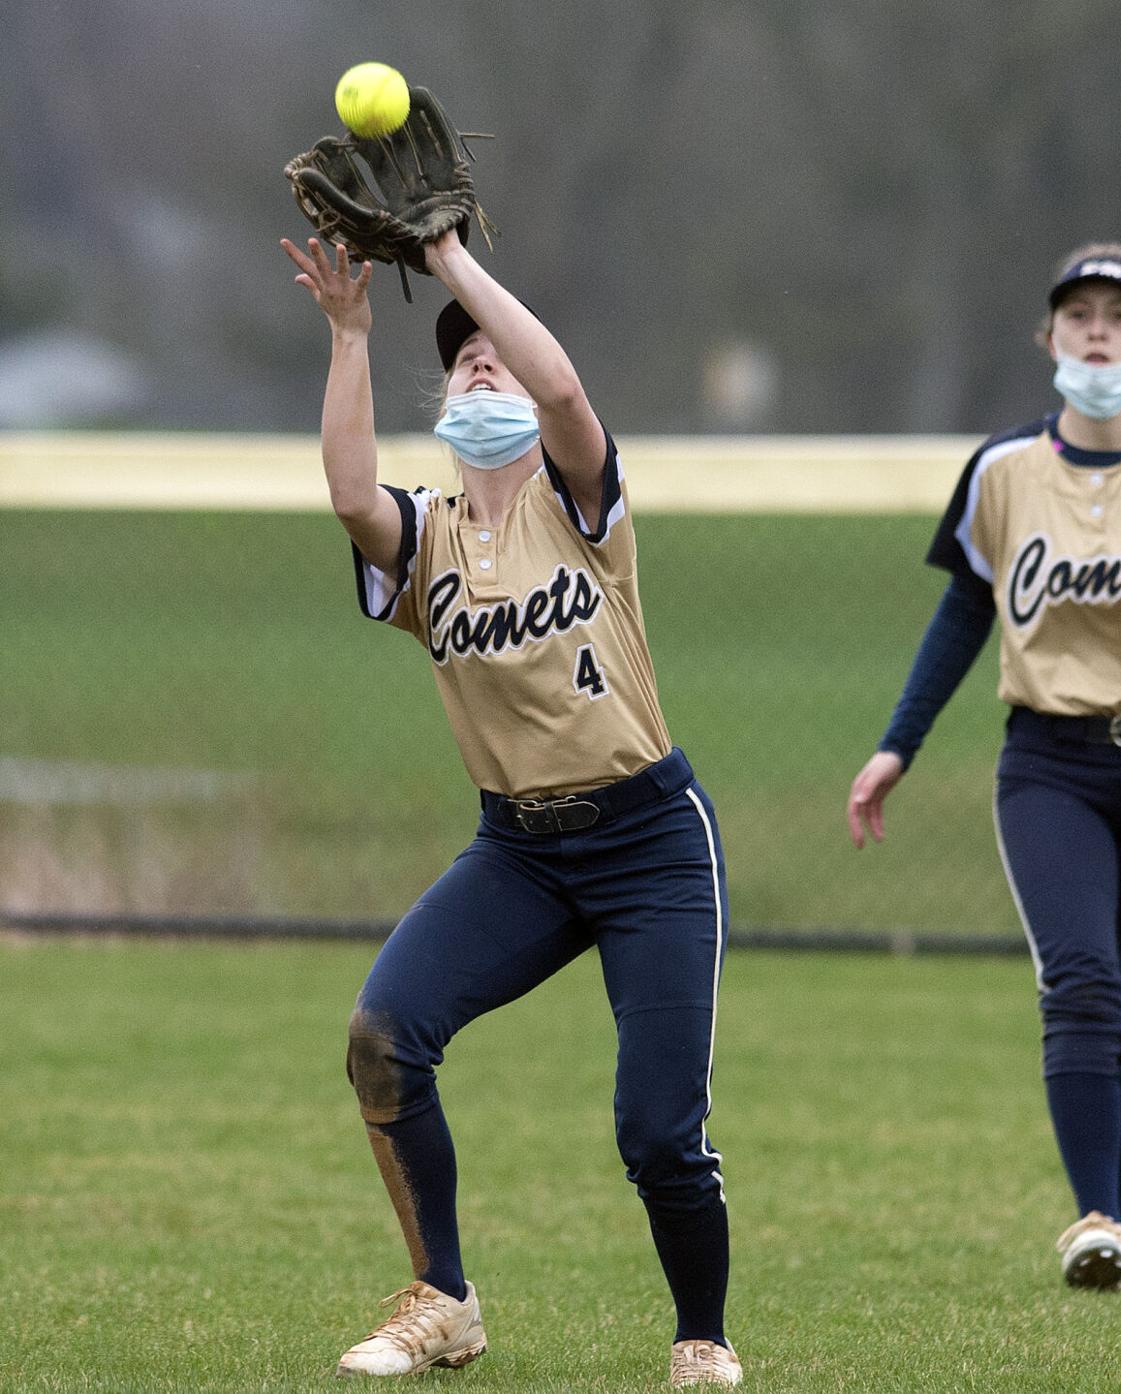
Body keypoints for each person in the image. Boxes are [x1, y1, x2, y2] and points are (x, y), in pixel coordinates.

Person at [279, 229, 742, 1386]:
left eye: (499, 354)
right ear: (442, 396)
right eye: (465, 360)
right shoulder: (427, 535)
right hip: (519, 853)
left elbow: (568, 387)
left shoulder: (580, 503)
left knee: (655, 1130)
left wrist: (445, 256)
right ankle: (444, 1297)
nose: (484, 366)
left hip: (649, 843)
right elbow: (346, 491)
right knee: (382, 1038)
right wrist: (348, 334)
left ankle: (702, 1335)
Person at [846, 244, 1121, 1294]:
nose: (1096, 330)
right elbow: (964, 612)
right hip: (1049, 763)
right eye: (1076, 313)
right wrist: (894, 744)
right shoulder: (1005, 471)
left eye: (1119, 314)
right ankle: (1093, 1217)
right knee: (1082, 983)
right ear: (1049, 338)